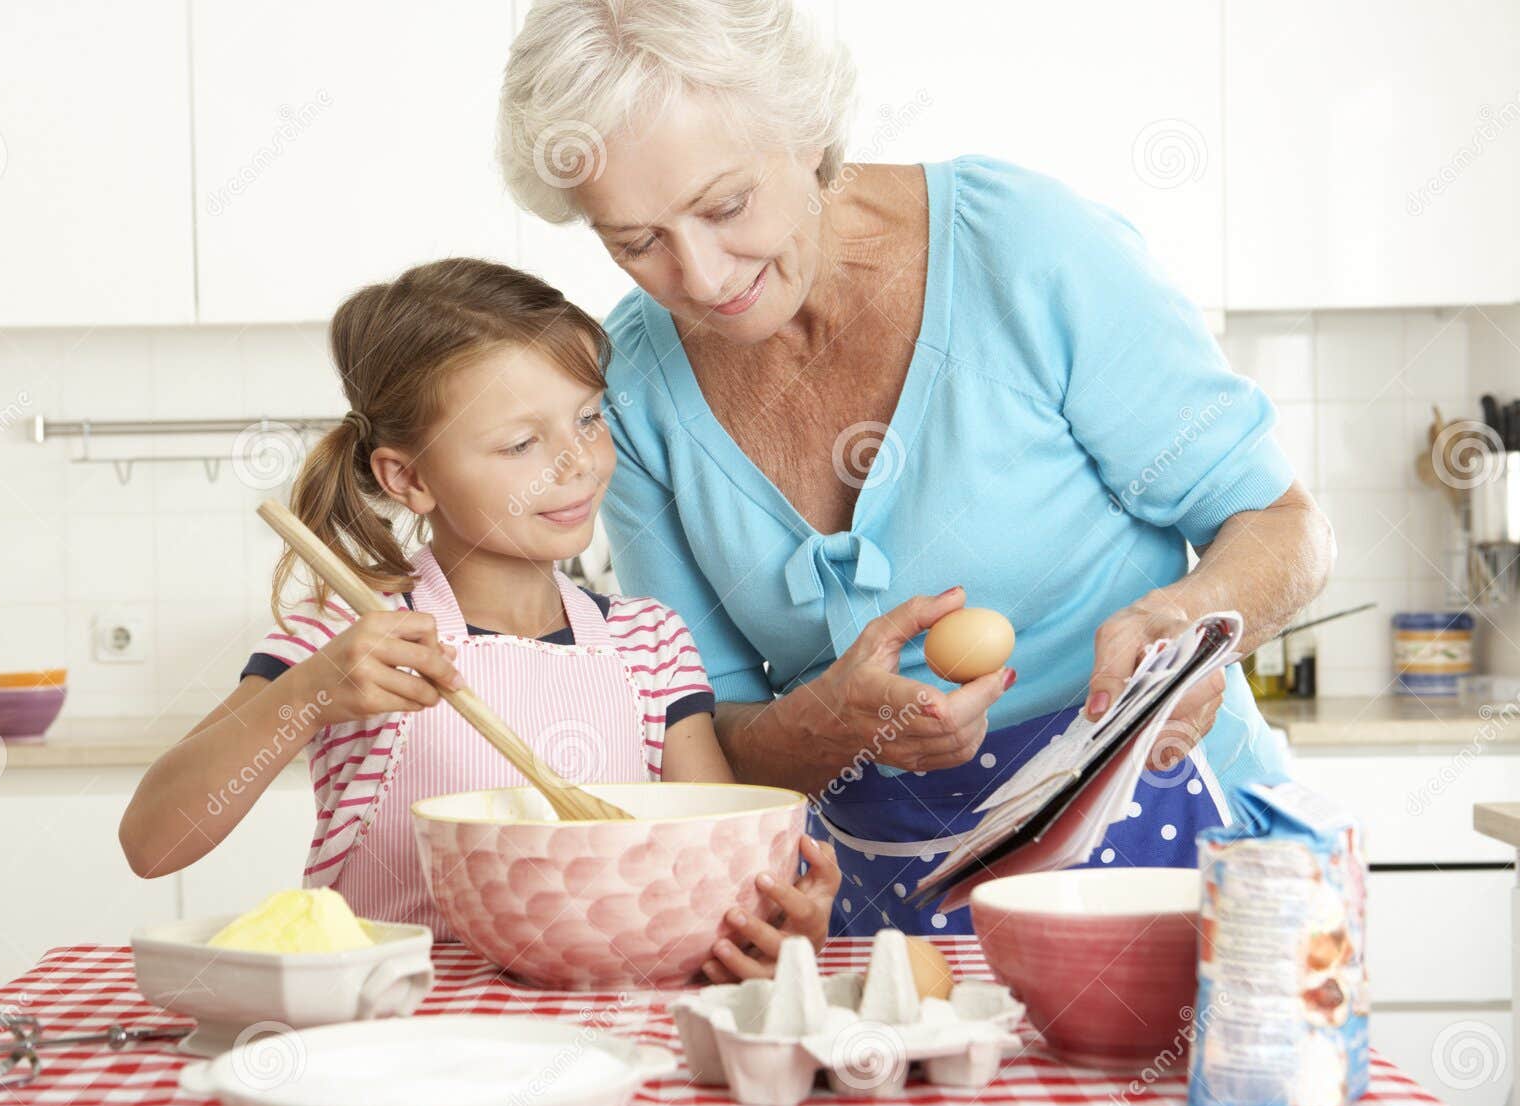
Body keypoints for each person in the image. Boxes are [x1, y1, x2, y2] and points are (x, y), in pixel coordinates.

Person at [498, 0, 1334, 935]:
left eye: (726, 206)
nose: (699, 275)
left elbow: (1283, 524)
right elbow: (701, 731)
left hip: (1183, 853)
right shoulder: (631, 389)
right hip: (880, 902)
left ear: (809, 133)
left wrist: (1186, 622)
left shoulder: (1023, 249)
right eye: (636, 242)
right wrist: (821, 725)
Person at [119, 257, 839, 980]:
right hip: (390, 1022)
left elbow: (711, 864)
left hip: (594, 1016)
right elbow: (152, 844)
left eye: (588, 418)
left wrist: (774, 924)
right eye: (521, 444)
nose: (576, 463)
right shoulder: (350, 643)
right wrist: (307, 695)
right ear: (409, 478)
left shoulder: (649, 644)